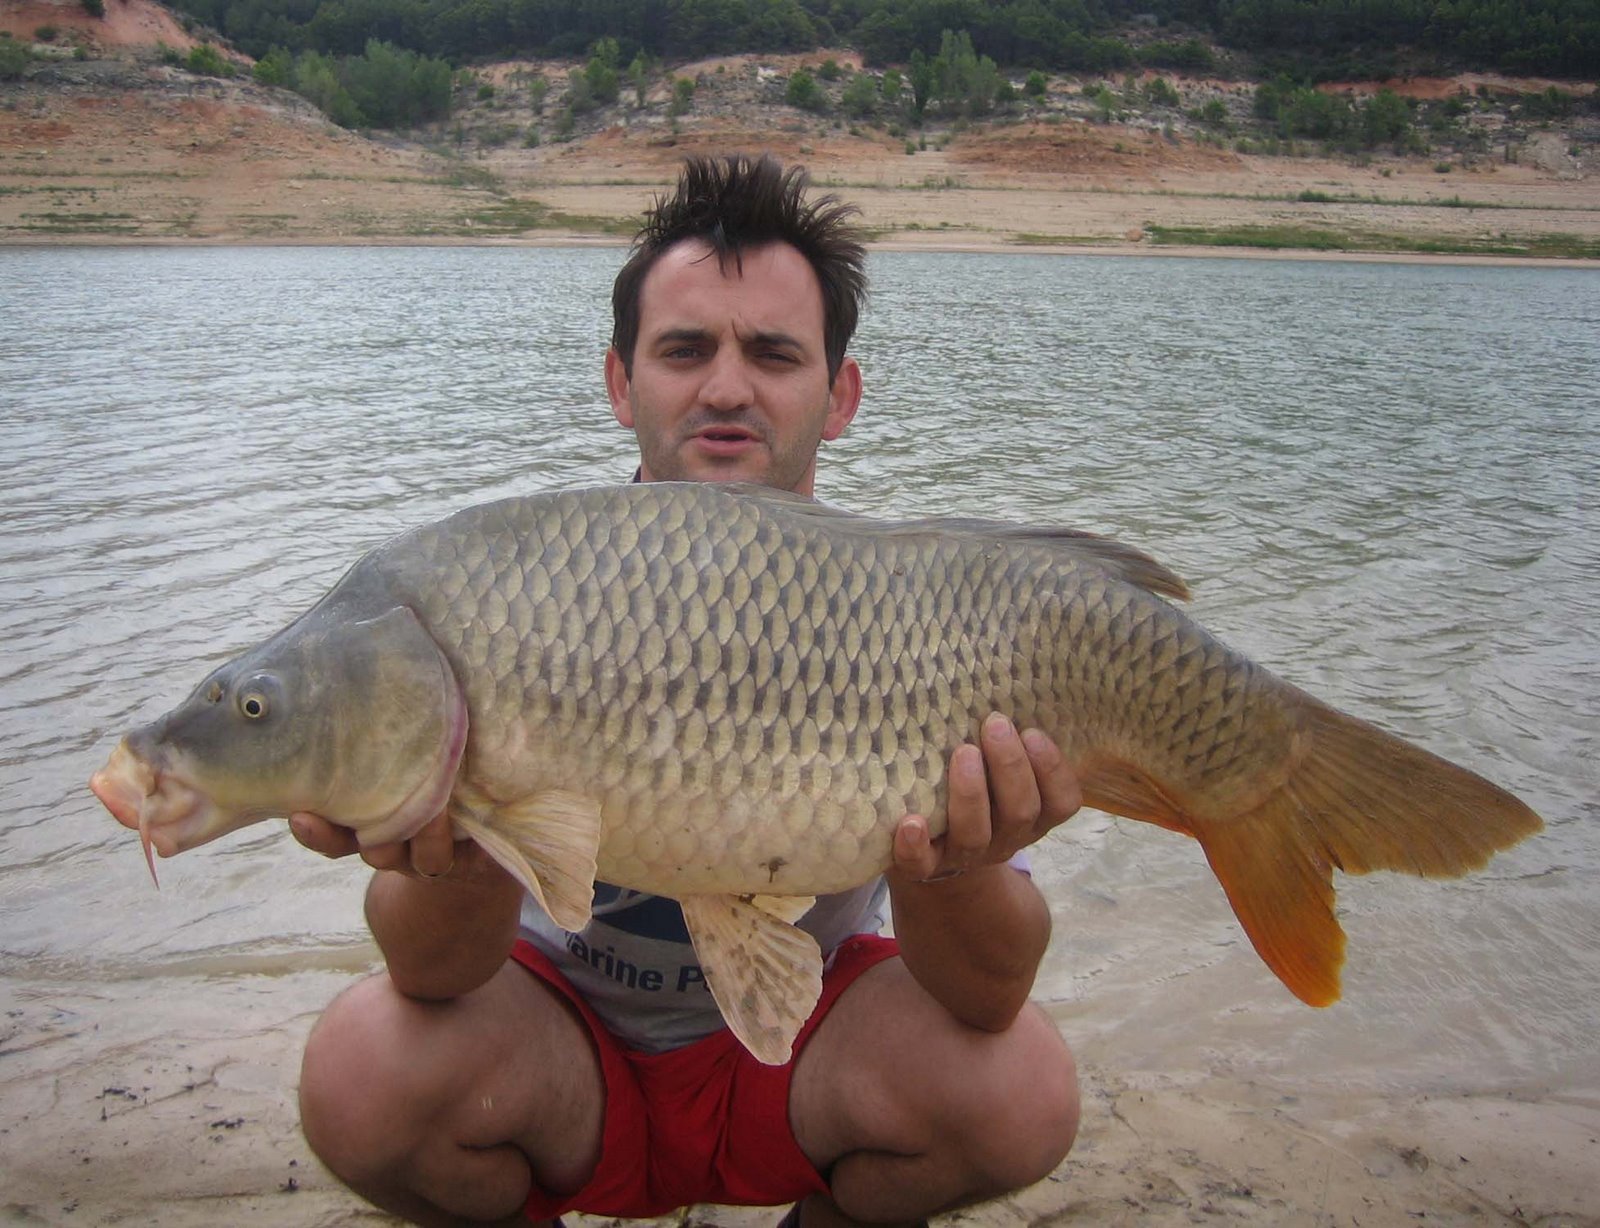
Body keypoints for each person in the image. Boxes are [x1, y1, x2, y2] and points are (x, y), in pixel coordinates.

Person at [292, 153, 1082, 1228]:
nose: (724, 387)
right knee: (361, 1076)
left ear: (838, 393)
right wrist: (458, 850)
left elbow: (986, 995)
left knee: (1020, 1091)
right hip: (559, 1057)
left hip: (805, 1065)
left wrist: (958, 858)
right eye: (683, 349)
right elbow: (430, 975)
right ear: (621, 382)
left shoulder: (917, 602)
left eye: (771, 352)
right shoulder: (505, 593)